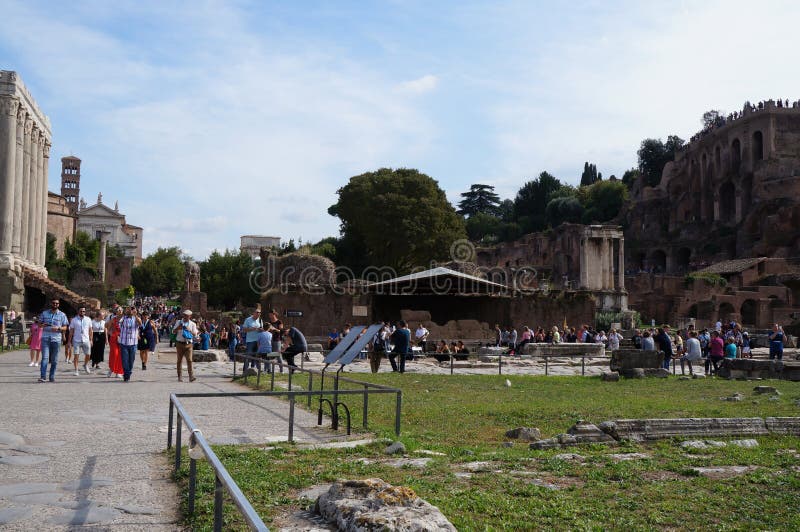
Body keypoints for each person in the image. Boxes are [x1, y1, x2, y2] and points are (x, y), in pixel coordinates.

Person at [39, 299, 69, 383]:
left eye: (57, 303)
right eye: (53, 303)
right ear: (51, 303)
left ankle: (51, 376)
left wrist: (58, 328)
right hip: (45, 338)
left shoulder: (62, 315)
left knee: (54, 360)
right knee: (45, 358)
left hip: (56, 339)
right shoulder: (44, 313)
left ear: (58, 305)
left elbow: (65, 327)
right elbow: (39, 324)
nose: (55, 304)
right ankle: (43, 377)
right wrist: (42, 324)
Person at [173, 309, 199, 382]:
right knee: (179, 360)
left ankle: (191, 376)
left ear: (190, 316)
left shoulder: (193, 324)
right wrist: (178, 328)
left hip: (189, 344)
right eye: (184, 315)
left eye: (187, 316)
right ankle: (180, 376)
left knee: (190, 360)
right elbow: (173, 331)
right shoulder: (178, 322)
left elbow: (195, 334)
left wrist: (189, 330)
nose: (185, 317)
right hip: (179, 343)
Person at [118, 306, 142, 382]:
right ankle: (126, 375)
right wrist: (124, 312)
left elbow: (140, 324)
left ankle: (128, 372)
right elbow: (118, 320)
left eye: (132, 309)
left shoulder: (136, 318)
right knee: (125, 360)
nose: (130, 311)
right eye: (129, 309)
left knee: (131, 360)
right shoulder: (123, 318)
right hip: (123, 343)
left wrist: (135, 315)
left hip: (133, 343)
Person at [68, 307, 93, 376]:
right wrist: (69, 341)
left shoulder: (88, 319)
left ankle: (85, 365)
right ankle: (76, 370)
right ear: (78, 312)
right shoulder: (74, 320)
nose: (82, 312)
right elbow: (71, 331)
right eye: (81, 311)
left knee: (88, 355)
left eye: (83, 311)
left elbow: (90, 330)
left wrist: (91, 340)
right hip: (76, 340)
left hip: (86, 339)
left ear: (85, 312)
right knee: (76, 355)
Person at [105, 307, 124, 378]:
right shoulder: (113, 319)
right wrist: (111, 334)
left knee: (121, 355)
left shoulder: (125, 319)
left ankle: (118, 372)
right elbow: (108, 328)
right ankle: (111, 369)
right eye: (118, 310)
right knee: (114, 354)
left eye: (120, 310)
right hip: (114, 339)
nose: (119, 311)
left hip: (123, 339)